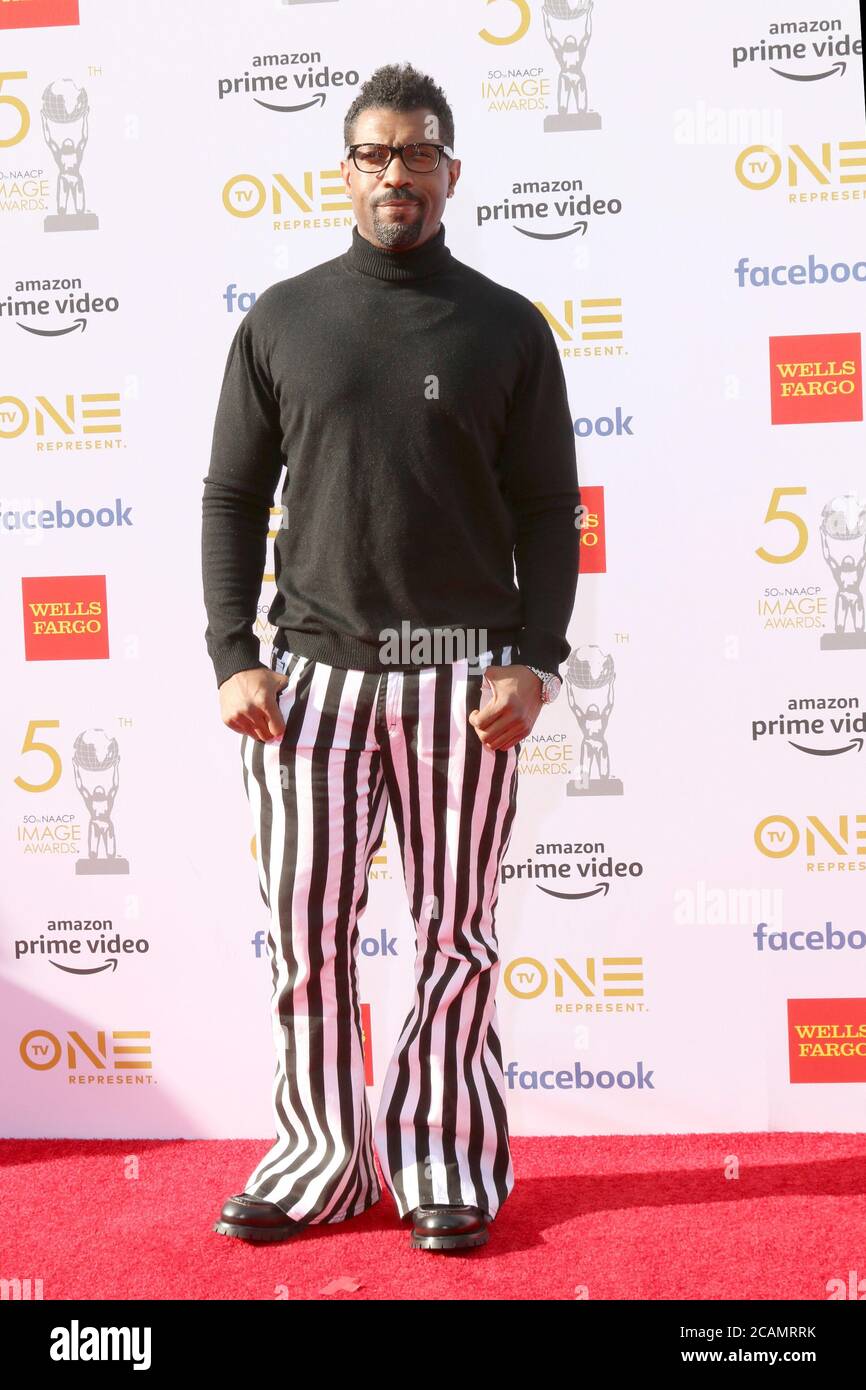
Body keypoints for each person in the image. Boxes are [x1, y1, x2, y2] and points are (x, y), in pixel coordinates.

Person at [201, 61, 580, 1253]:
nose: (395, 174)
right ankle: (319, 1159)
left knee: (456, 931)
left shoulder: (507, 326)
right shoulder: (281, 317)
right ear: (345, 171)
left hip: (462, 685)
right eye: (373, 154)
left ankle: (440, 1159)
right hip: (306, 683)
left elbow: (547, 512)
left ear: (451, 172)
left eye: (417, 153)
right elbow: (228, 498)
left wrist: (535, 659)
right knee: (305, 927)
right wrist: (232, 652)